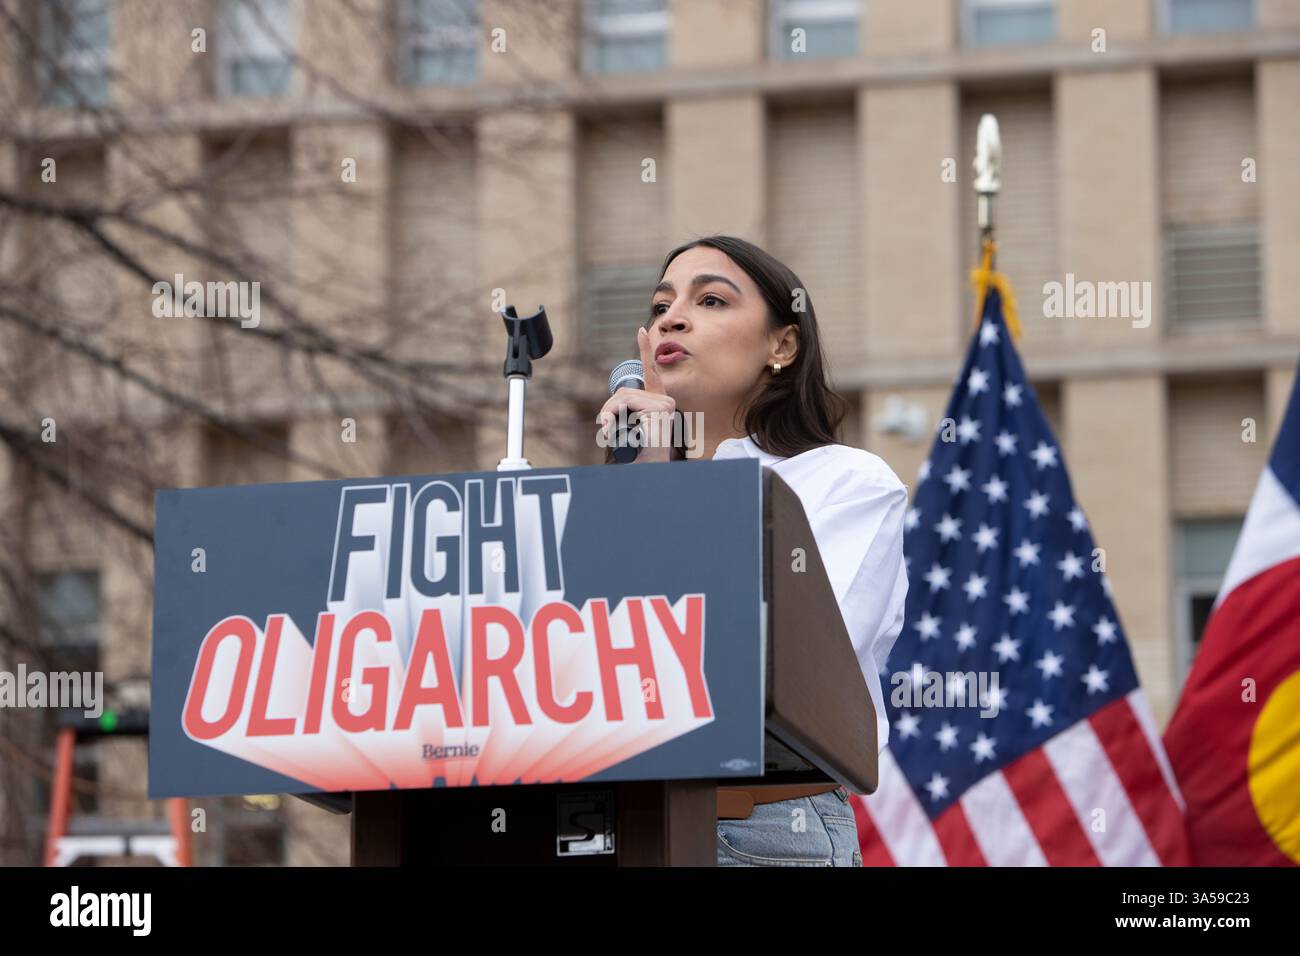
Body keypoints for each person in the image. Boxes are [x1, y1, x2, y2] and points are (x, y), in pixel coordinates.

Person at [598, 235, 910, 866]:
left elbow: (790, 665)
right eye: (661, 306)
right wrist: (648, 469)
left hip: (764, 828)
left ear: (782, 344)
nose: (672, 318)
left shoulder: (842, 482)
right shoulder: (619, 488)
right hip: (610, 823)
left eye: (710, 300)